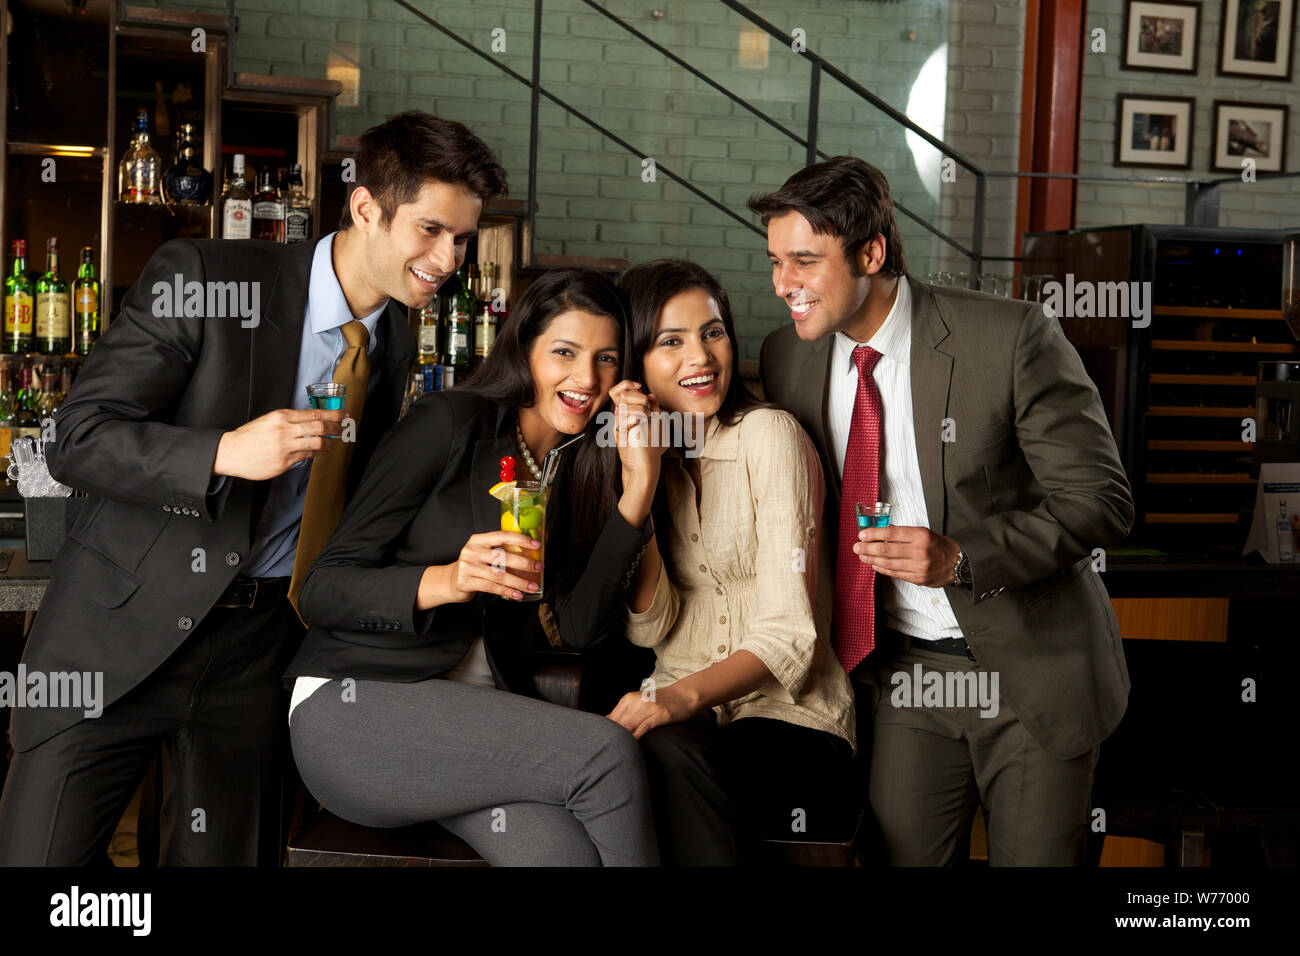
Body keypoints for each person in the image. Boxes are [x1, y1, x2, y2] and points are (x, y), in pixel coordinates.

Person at [0, 111, 507, 866]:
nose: (448, 259)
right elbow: (77, 437)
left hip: (260, 652)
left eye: (463, 240)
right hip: (116, 637)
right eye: (432, 230)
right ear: (365, 207)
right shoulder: (205, 277)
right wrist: (223, 452)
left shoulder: (394, 340)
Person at [752, 157, 1134, 866]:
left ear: (871, 252)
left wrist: (962, 558)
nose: (783, 285)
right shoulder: (788, 358)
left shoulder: (1008, 337)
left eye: (805, 261)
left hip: (1030, 672)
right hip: (900, 680)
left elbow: (1100, 501)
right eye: (776, 261)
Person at [285, 269, 661, 867]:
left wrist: (638, 489)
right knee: (605, 755)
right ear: (524, 349)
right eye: (564, 352)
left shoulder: (576, 468)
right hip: (358, 710)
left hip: (471, 738)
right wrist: (448, 581)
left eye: (606, 359)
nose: (586, 379)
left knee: (560, 854)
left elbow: (583, 628)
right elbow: (323, 588)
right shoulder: (449, 423)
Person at [606, 259, 857, 866]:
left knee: (663, 756)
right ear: (635, 367)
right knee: (617, 761)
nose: (702, 356)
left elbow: (790, 638)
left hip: (790, 713)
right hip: (686, 714)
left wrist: (678, 700)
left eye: (712, 332)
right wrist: (639, 482)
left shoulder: (769, 436)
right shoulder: (646, 458)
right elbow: (649, 626)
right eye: (672, 341)